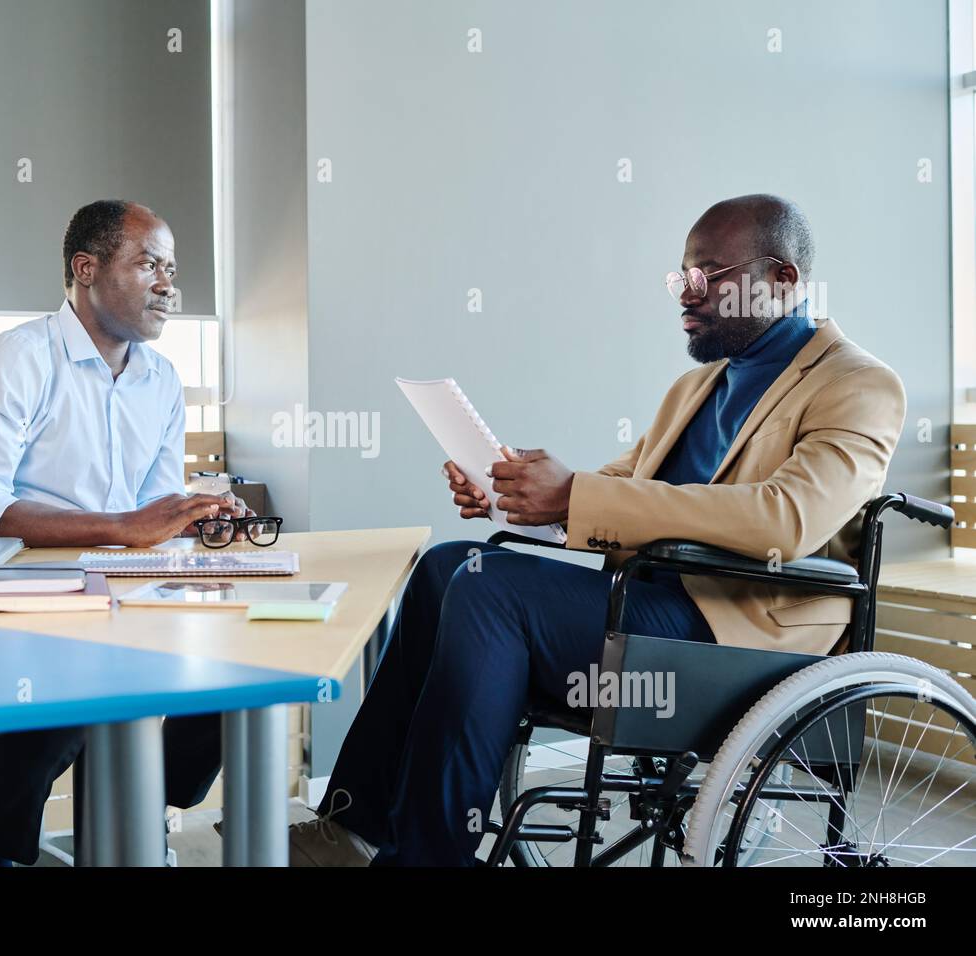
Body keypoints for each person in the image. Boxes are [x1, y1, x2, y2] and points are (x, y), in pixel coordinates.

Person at [288, 194, 907, 866]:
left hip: (739, 641)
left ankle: (430, 857)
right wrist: (518, 500)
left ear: (782, 278)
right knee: (450, 568)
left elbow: (788, 519)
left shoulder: (859, 384)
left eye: (708, 276)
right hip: (644, 610)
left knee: (489, 591)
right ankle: (357, 824)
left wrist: (575, 496)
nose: (687, 294)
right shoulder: (694, 390)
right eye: (682, 278)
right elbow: (609, 497)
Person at [0, 199, 247, 865]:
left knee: (242, 653)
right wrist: (124, 528)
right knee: (80, 683)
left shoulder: (161, 380)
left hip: (127, 591)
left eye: (172, 268)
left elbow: (155, 507)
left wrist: (198, 514)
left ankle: (136, 814)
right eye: (148, 265)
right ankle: (7, 848)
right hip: (25, 594)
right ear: (86, 268)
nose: (168, 283)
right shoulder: (13, 360)